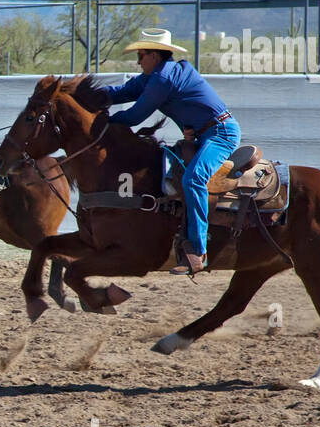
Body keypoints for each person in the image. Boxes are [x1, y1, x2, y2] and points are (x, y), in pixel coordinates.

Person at [87, 28, 240, 275]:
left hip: (221, 133)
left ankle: (199, 251)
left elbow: (136, 114)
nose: (138, 61)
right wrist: (83, 95)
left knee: (194, 179)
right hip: (205, 133)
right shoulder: (154, 76)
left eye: (142, 55)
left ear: (155, 56)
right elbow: (121, 93)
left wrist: (103, 124)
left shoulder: (163, 79)